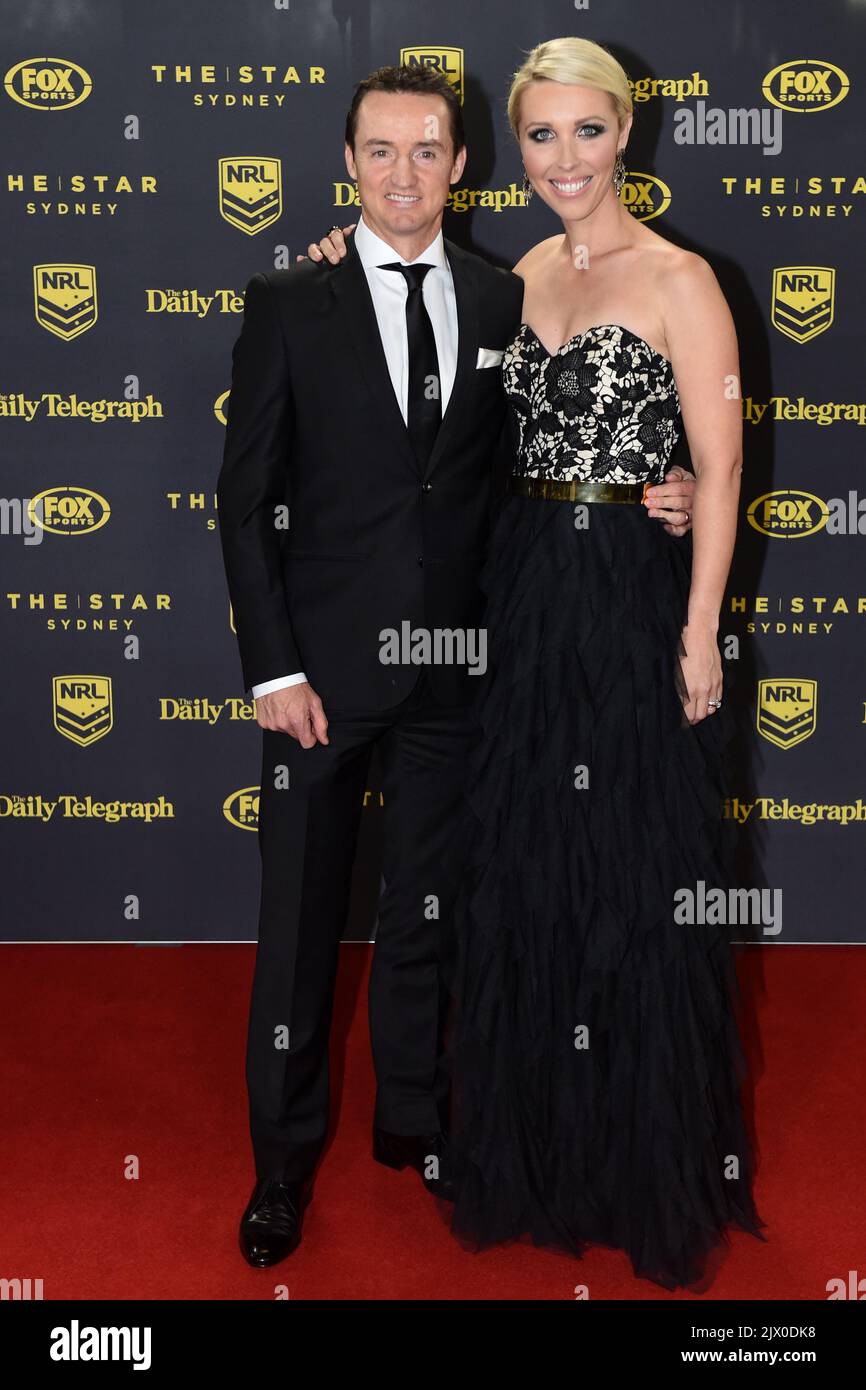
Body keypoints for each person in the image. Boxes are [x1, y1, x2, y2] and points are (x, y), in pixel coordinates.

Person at [218, 61, 696, 1271]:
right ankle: (280, 1169)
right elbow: (244, 499)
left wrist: (669, 490)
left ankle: (415, 1121)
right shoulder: (290, 296)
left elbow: (539, 454)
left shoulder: (499, 295)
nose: (402, 174)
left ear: (460, 165)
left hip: (456, 673)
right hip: (317, 679)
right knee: (298, 930)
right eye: (379, 152)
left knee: (429, 915)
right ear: (347, 164)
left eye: (426, 151)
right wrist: (272, 668)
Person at [309, 37, 765, 1292]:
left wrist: (696, 624)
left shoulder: (681, 278)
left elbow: (718, 468)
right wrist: (337, 264)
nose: (563, 158)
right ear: (511, 149)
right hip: (517, 595)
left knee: (632, 868)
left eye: (585, 131)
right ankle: (541, 1147)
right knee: (526, 877)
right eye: (540, 136)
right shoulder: (511, 277)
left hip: (627, 599)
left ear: (626, 133)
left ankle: (637, 1160)